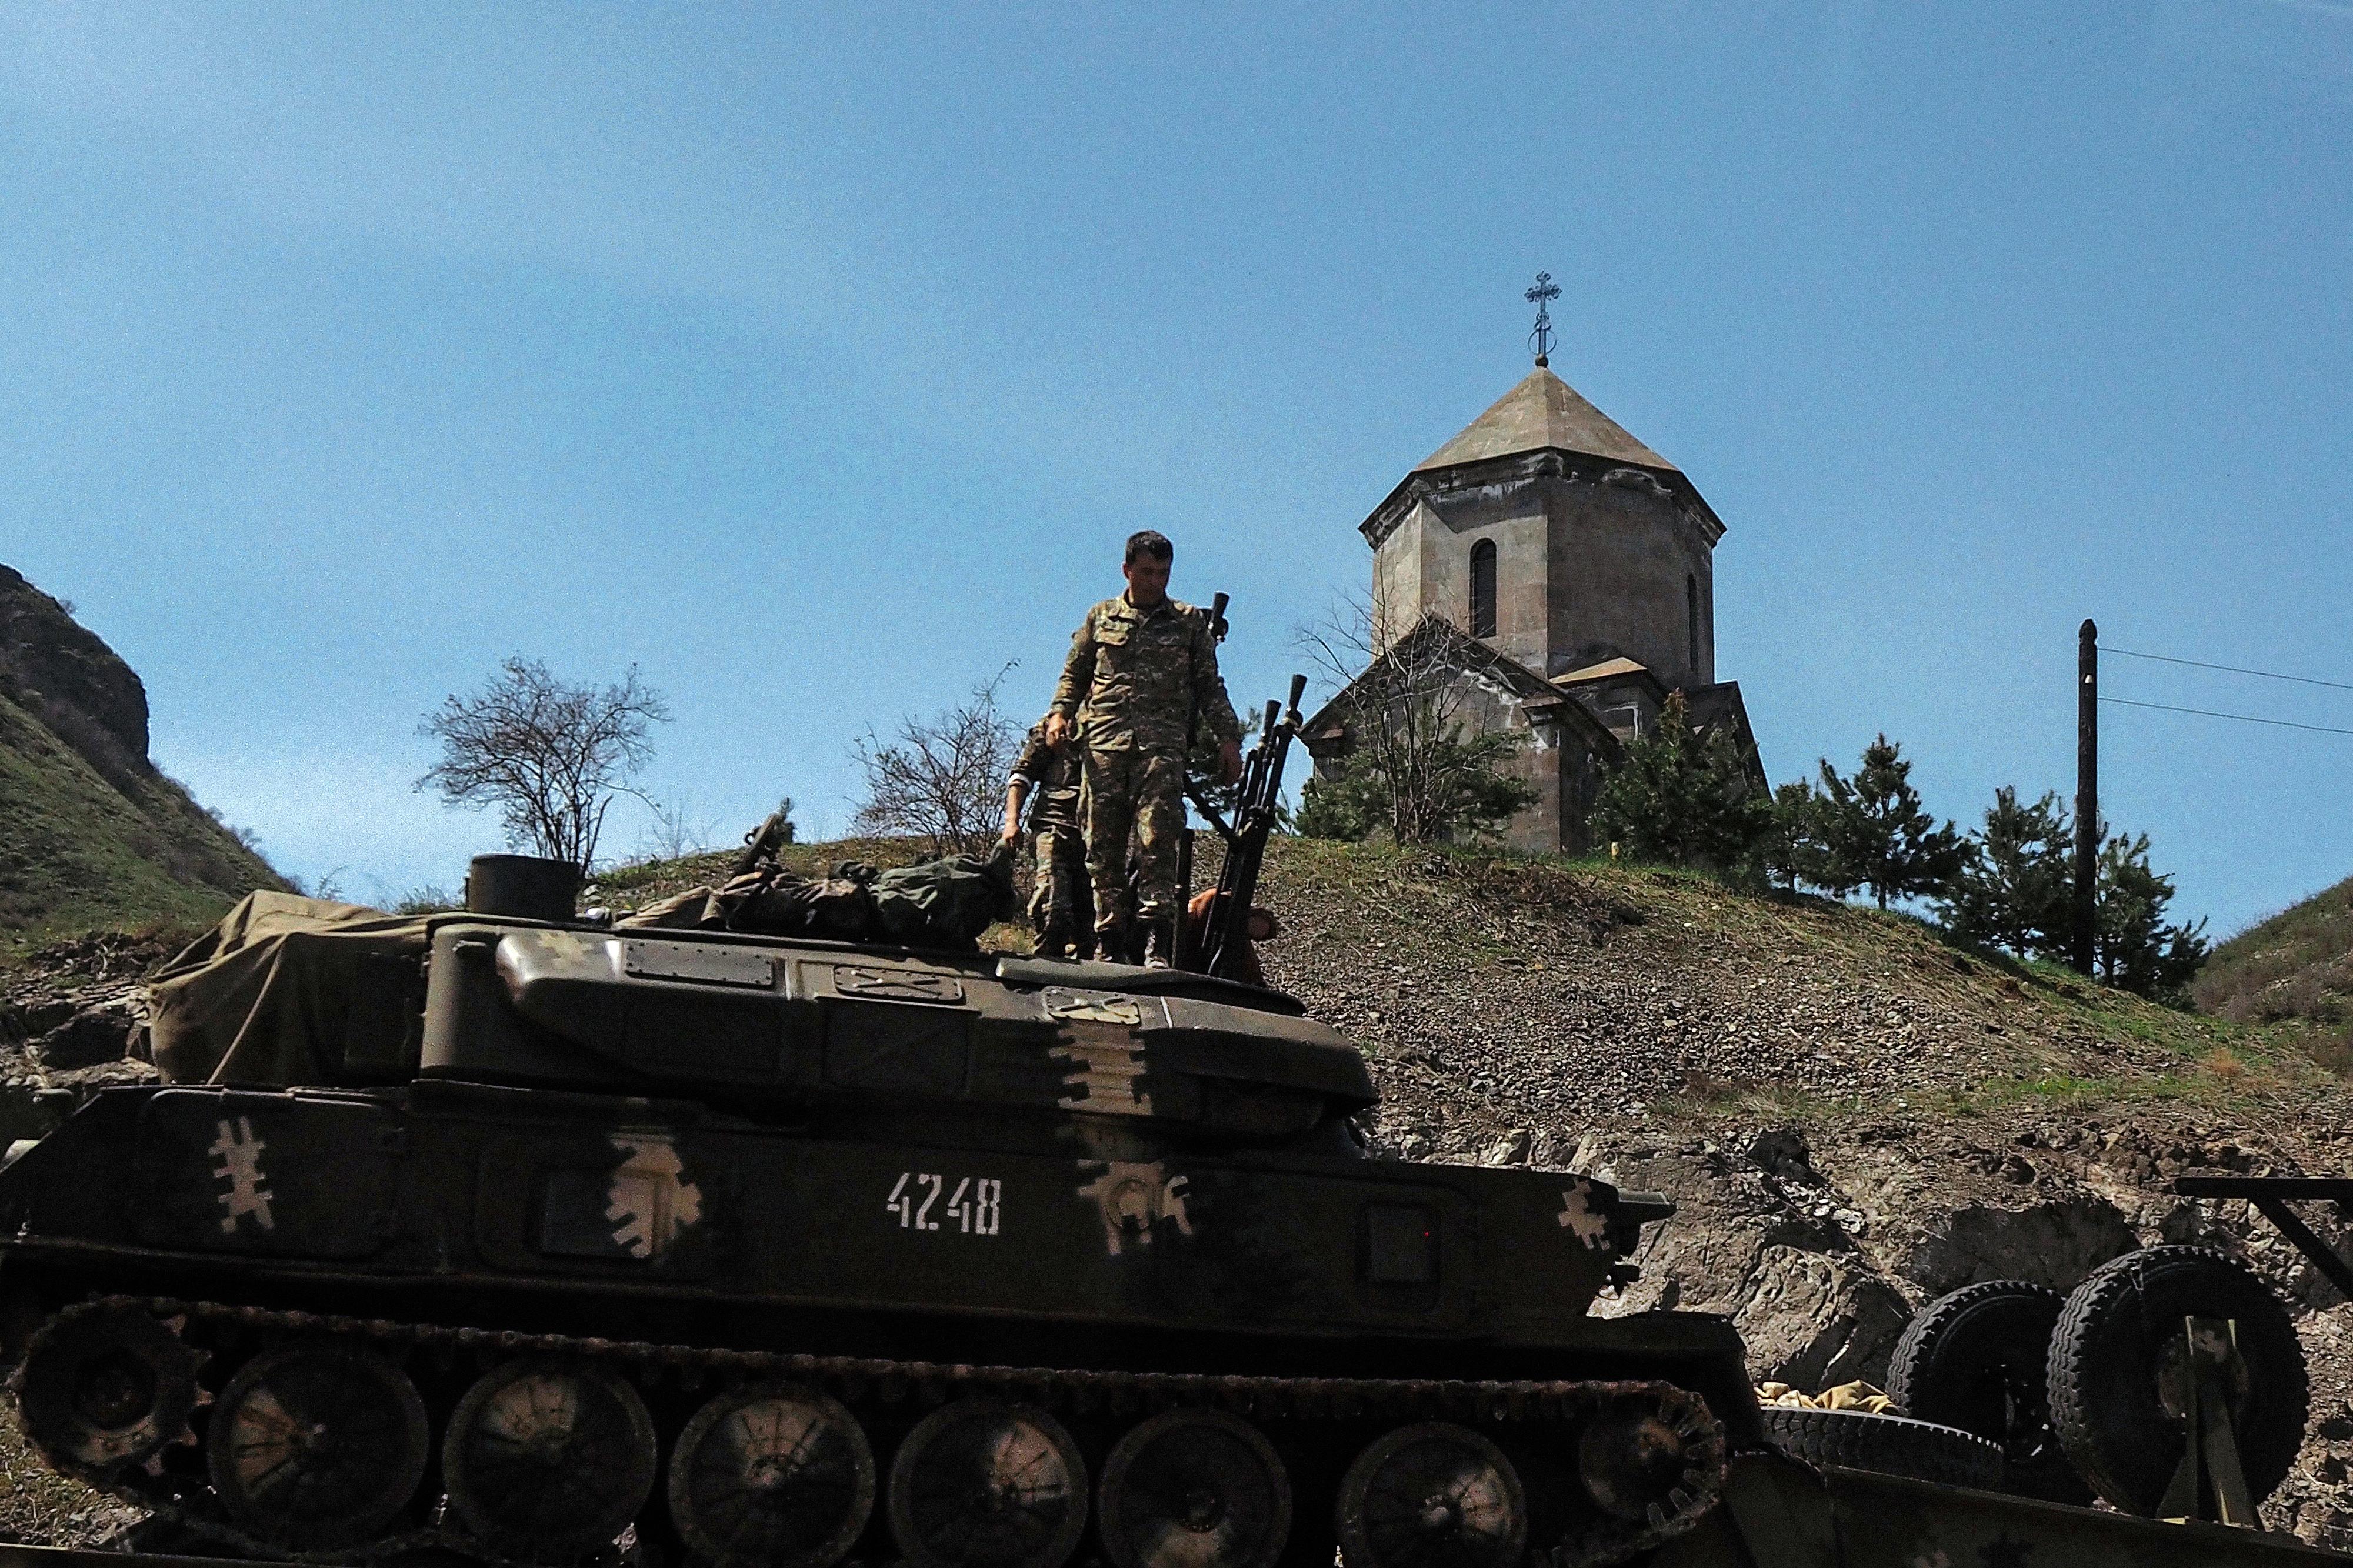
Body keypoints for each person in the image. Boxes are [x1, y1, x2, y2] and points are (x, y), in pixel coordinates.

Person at [1047, 530, 1244, 966]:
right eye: (1148, 572)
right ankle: (1110, 940)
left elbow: (1210, 686)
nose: (1157, 581)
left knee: (1158, 841)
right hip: (1104, 748)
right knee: (1103, 847)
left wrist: (1230, 740)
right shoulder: (1101, 618)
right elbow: (1074, 676)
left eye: (1164, 573)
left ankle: (1157, 941)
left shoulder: (1189, 622)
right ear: (1127, 570)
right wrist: (1060, 714)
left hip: (1161, 750)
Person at [1002, 718, 1092, 959]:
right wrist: (1012, 821)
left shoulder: (1119, 722)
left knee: (1091, 922)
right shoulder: (1056, 724)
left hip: (1101, 835)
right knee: (1054, 906)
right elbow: (1022, 775)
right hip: (1055, 826)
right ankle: (1045, 965)